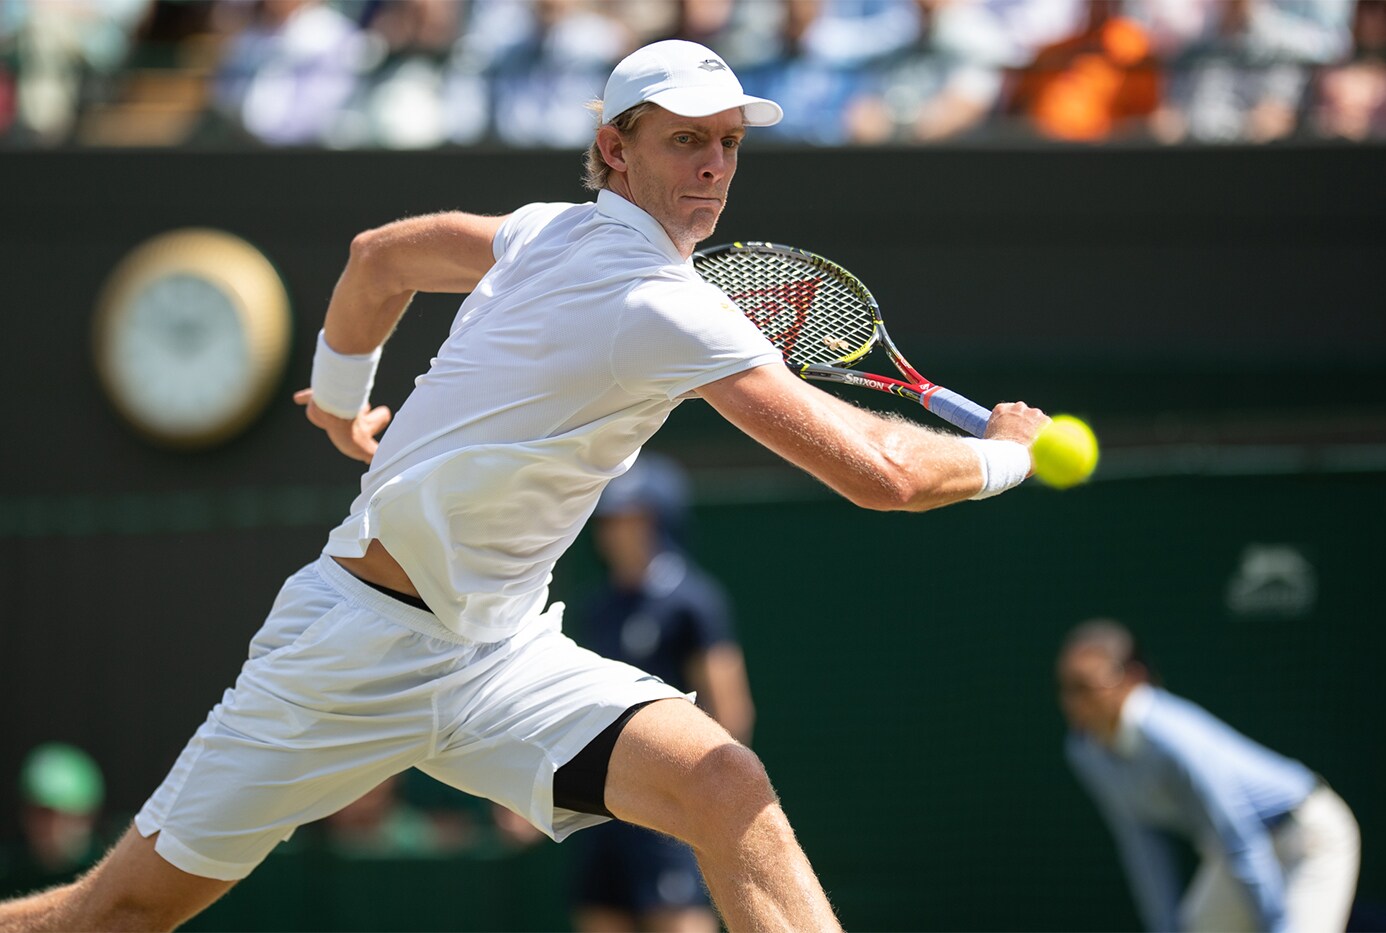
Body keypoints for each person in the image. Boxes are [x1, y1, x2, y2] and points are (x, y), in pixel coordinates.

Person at [0, 38, 1049, 933]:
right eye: (684, 137)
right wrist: (1009, 452)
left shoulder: (542, 231)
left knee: (722, 783)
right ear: (613, 148)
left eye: (728, 141)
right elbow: (882, 475)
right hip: (348, 652)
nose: (714, 165)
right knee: (117, 917)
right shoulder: (663, 305)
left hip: (501, 657)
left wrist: (336, 396)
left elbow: (380, 259)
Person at [1057, 619, 1361, 933]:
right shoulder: (1084, 752)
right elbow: (1141, 841)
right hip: (1236, 849)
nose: (1074, 701)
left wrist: (1277, 926)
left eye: (1086, 686)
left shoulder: (1172, 740)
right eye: (1066, 686)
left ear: (1132, 678)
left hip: (1307, 837)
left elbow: (1238, 835)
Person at [568, 453, 754, 933]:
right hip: (604, 803)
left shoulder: (693, 600)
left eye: (629, 518)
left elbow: (731, 711)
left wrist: (700, 798)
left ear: (661, 518)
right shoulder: (599, 606)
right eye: (607, 520)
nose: (613, 531)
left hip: (667, 806)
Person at [0, 745, 106, 899]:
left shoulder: (107, 873)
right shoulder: (8, 873)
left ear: (88, 817)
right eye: (42, 813)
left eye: (66, 814)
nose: (52, 826)